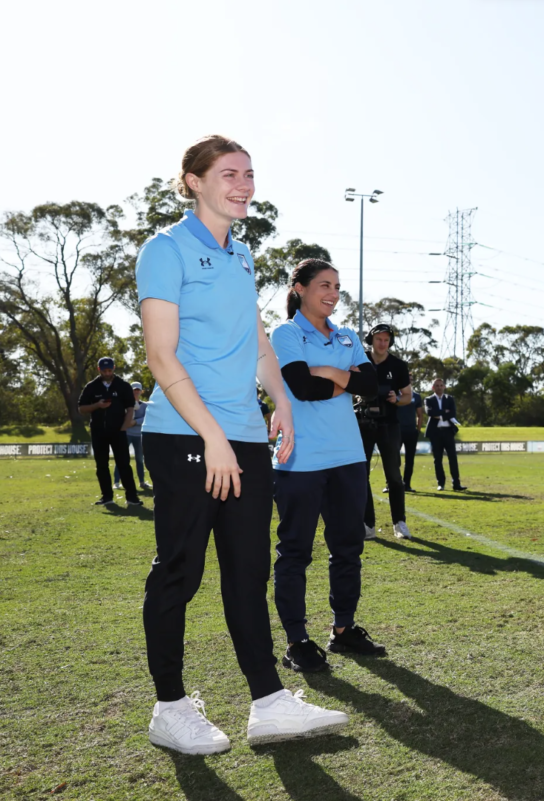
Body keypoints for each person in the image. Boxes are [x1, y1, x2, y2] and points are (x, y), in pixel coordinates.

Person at [138, 134, 346, 755]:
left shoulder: (243, 253)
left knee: (248, 572)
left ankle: (269, 703)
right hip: (185, 435)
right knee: (180, 570)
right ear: (194, 181)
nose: (244, 185)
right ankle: (170, 708)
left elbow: (256, 339)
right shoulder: (165, 249)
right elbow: (159, 354)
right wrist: (212, 436)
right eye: (229, 174)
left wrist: (279, 398)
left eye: (250, 174)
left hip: (246, 437)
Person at [271, 258, 386, 673]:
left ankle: (343, 630)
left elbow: (373, 386)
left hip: (348, 458)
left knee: (348, 549)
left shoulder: (347, 335)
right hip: (299, 461)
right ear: (299, 288)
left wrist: (327, 370)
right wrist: (343, 376)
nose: (333, 294)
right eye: (324, 285)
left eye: (337, 286)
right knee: (296, 553)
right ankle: (297, 641)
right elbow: (303, 389)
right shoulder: (285, 333)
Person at [358, 323, 414, 539]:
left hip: (390, 425)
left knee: (394, 476)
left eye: (386, 340)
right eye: (379, 339)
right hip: (362, 424)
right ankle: (367, 525)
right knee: (362, 475)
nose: (382, 343)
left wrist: (396, 399)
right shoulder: (359, 360)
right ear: (371, 340)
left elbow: (407, 396)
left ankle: (399, 523)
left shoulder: (398, 365)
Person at [78, 357, 141, 507]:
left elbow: (130, 408)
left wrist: (125, 426)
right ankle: (107, 497)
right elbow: (81, 408)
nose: (107, 373)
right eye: (104, 370)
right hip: (98, 431)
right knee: (101, 465)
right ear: (99, 370)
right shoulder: (91, 386)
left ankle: (132, 498)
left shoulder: (123, 385)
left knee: (124, 464)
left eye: (110, 370)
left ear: (114, 368)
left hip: (118, 431)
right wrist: (97, 405)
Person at [425, 379, 467, 491]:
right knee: (437, 459)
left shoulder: (450, 399)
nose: (439, 387)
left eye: (441, 385)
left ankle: (456, 484)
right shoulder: (429, 399)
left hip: (448, 431)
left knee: (452, 458)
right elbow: (430, 413)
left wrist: (439, 413)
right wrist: (445, 412)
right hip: (435, 432)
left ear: (444, 387)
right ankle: (441, 483)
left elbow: (452, 413)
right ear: (433, 387)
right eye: (437, 385)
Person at [114, 382, 151, 491]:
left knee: (139, 459)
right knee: (122, 458)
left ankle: (142, 482)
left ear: (141, 391)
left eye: (138, 390)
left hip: (138, 435)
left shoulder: (145, 405)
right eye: (134, 390)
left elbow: (146, 418)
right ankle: (116, 482)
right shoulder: (124, 403)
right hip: (126, 434)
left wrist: (134, 422)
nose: (136, 392)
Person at [399, 387, 425, 491]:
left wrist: (417, 430)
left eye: (410, 379)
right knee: (393, 460)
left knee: (410, 460)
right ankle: (391, 484)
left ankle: (407, 484)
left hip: (411, 431)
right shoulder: (394, 394)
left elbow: (420, 414)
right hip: (396, 431)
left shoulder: (417, 396)